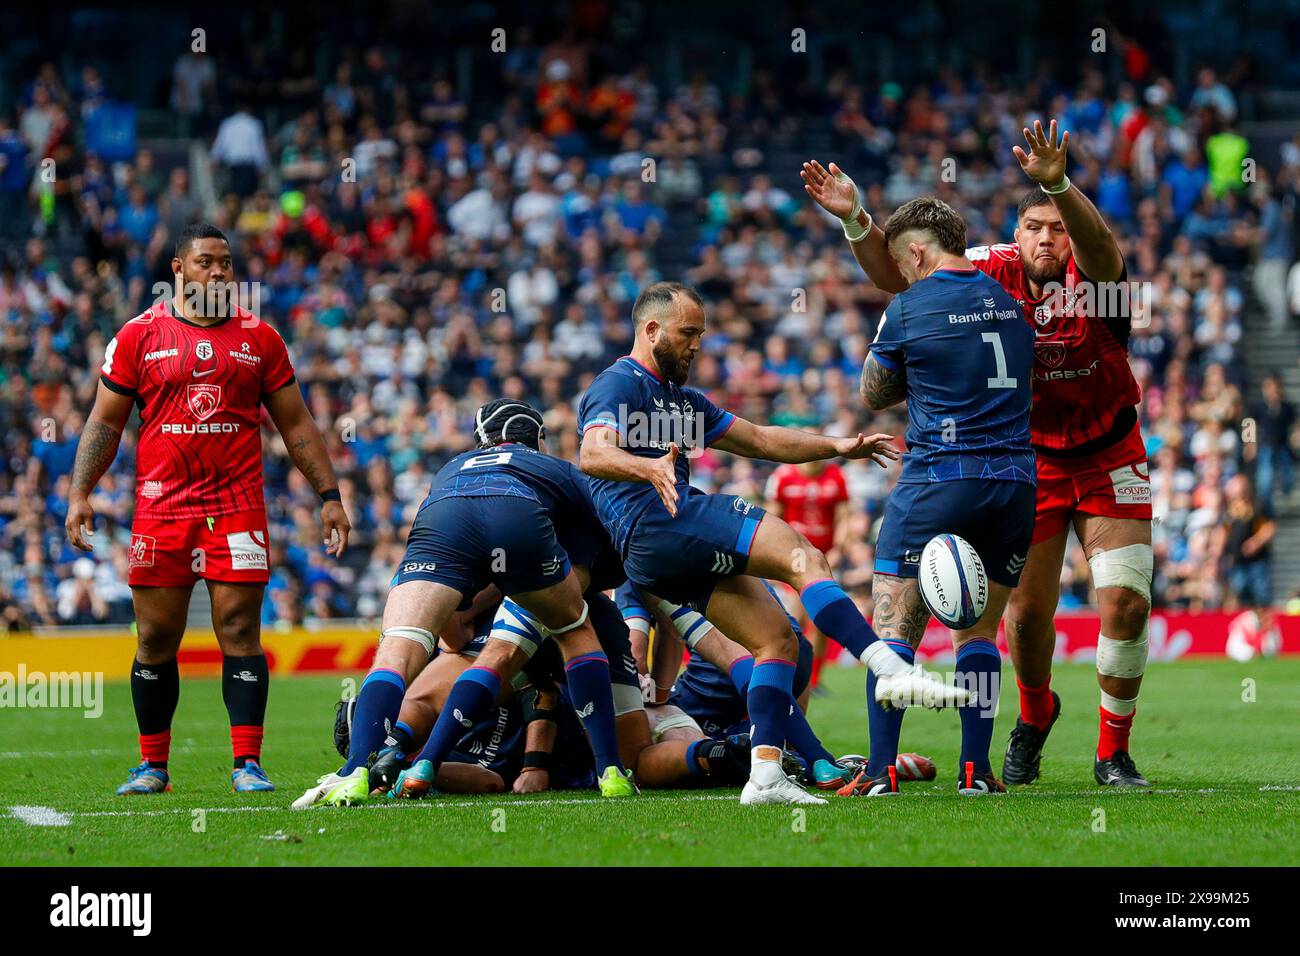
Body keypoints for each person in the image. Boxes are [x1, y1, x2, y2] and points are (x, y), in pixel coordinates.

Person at [805, 118, 1155, 788]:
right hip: (1030, 460)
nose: (1047, 239)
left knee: (1127, 605)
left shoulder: (1097, 277)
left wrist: (1055, 181)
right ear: (1015, 235)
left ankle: (1112, 753)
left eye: (1058, 227)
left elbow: (1104, 246)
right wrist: (857, 221)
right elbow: (902, 273)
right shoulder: (990, 268)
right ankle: (1033, 716)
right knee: (1022, 620)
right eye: (1035, 228)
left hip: (1109, 449)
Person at [578, 282, 973, 806]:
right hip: (662, 521)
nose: (697, 344)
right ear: (651, 331)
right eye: (688, 333)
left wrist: (836, 446)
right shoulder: (619, 385)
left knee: (776, 642)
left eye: (701, 333)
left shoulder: (681, 401)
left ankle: (764, 775)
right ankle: (888, 668)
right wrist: (646, 465)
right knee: (803, 557)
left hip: (655, 554)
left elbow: (762, 440)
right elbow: (591, 452)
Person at [65, 222, 350, 795]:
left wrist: (329, 496)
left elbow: (296, 425)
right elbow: (104, 422)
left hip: (237, 508)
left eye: (226, 262)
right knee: (155, 639)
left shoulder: (261, 339)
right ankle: (152, 766)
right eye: (205, 262)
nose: (218, 272)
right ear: (178, 270)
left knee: (241, 630)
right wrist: (79, 492)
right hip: (160, 508)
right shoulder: (139, 336)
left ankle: (247, 763)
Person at [293, 400, 634, 808]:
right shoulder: (555, 468)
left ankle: (354, 771)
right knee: (575, 630)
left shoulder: (451, 467)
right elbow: (614, 523)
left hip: (444, 515)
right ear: (537, 440)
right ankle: (610, 771)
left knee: (397, 649)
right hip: (518, 513)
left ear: (479, 441)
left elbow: (452, 635)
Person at [839, 197, 1035, 796]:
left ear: (917, 252)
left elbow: (875, 394)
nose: (901, 273)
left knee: (895, 626)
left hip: (937, 479)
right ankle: (976, 771)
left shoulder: (907, 306)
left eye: (901, 263)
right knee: (978, 634)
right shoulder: (1012, 304)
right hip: (1014, 484)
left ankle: (878, 773)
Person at [764, 460, 851, 692]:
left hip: (823, 560)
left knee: (821, 621)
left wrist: (839, 549)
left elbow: (843, 517)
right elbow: (772, 517)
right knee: (796, 619)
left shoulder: (836, 475)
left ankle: (813, 681)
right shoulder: (782, 475)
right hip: (792, 558)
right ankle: (793, 679)